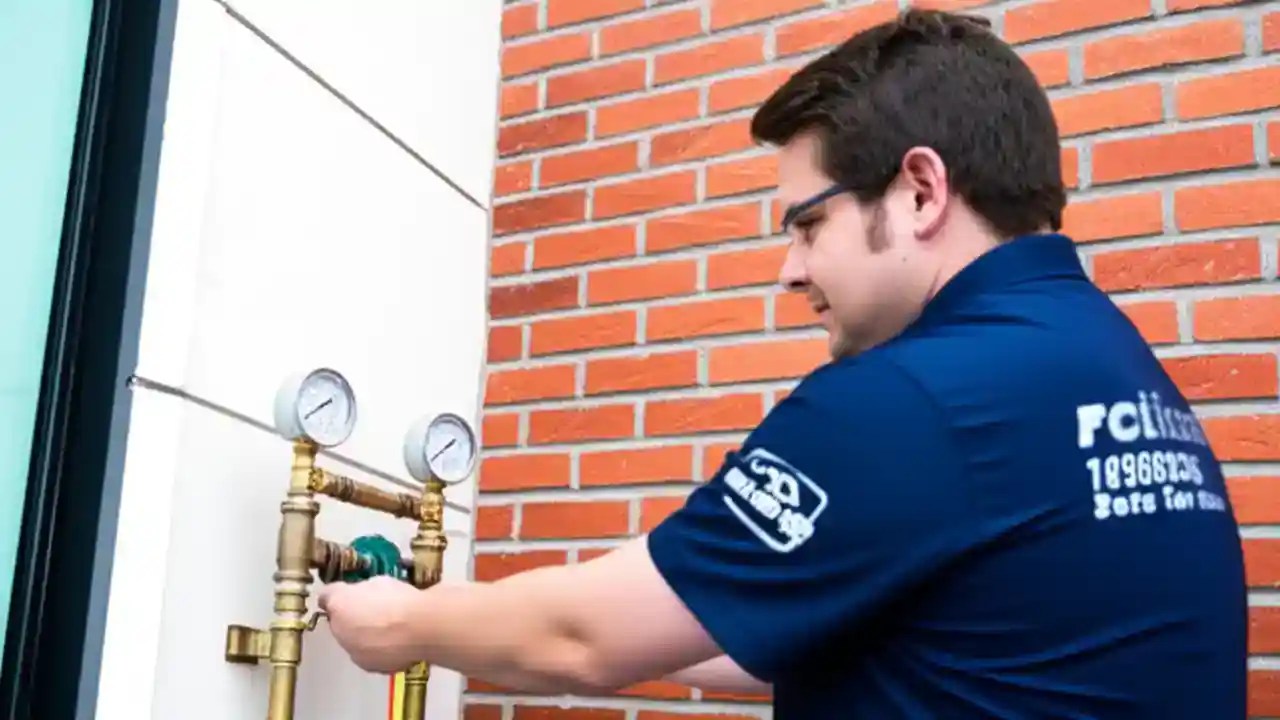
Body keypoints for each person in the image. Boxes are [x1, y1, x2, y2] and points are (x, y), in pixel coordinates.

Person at [318, 8, 1249, 717]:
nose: (791, 266)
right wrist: (671, 614)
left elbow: (580, 637)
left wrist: (405, 624)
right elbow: (814, 626)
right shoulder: (1115, 369)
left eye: (810, 223)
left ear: (920, 190)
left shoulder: (916, 398)